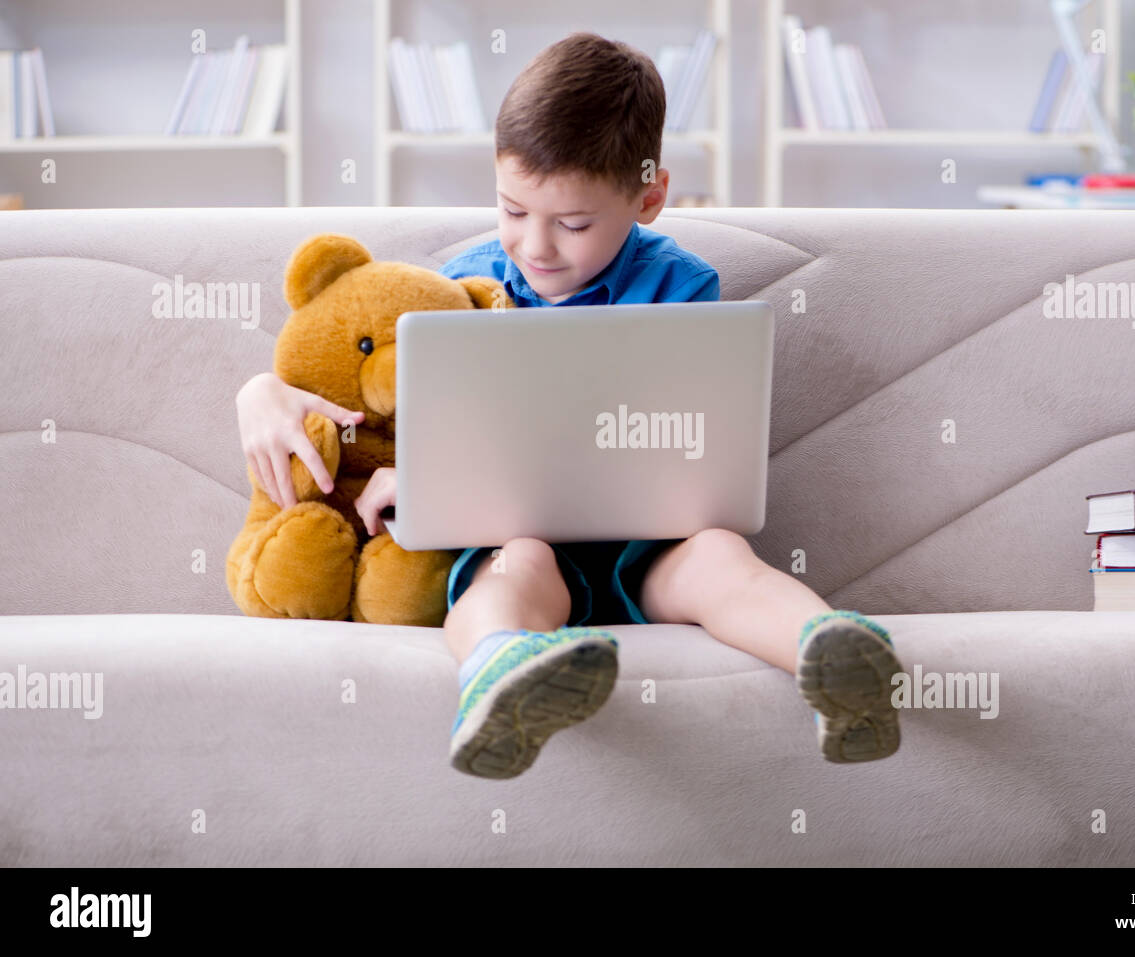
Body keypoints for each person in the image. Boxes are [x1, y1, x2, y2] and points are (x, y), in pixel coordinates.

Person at [235, 32, 902, 780]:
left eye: (574, 223)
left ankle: (834, 657)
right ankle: (502, 673)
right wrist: (259, 392)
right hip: (513, 542)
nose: (535, 247)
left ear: (649, 197)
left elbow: (689, 447)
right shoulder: (457, 291)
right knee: (515, 568)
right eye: (512, 211)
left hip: (652, 549)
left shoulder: (684, 288)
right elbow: (356, 381)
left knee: (721, 555)